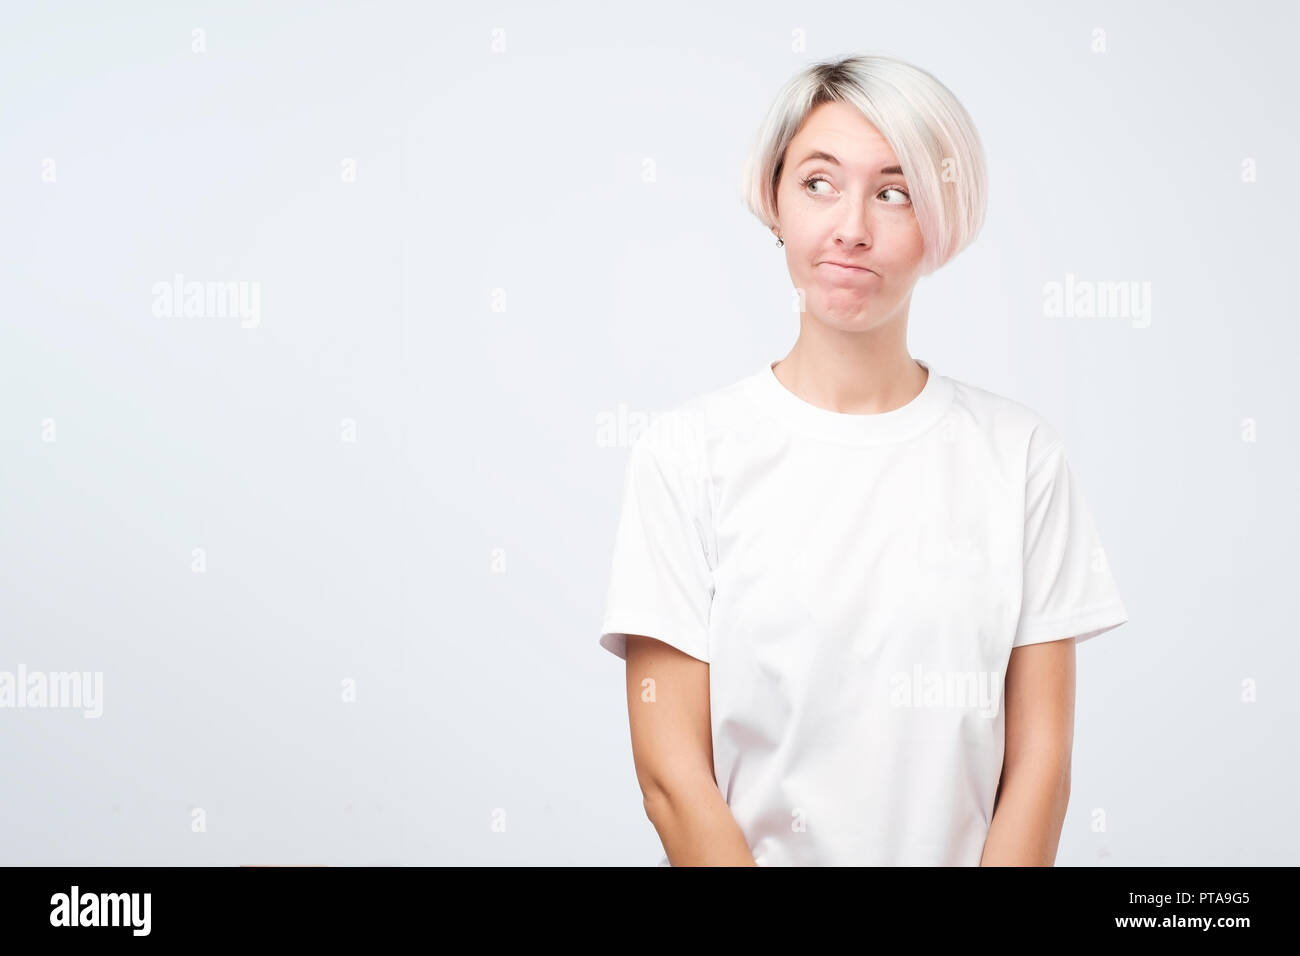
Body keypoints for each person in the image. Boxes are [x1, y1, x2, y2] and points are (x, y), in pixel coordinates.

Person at [596, 53, 1129, 866]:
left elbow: (1040, 770)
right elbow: (672, 777)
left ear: (942, 225)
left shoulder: (1021, 459)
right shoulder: (686, 454)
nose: (852, 227)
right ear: (774, 200)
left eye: (894, 192)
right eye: (818, 183)